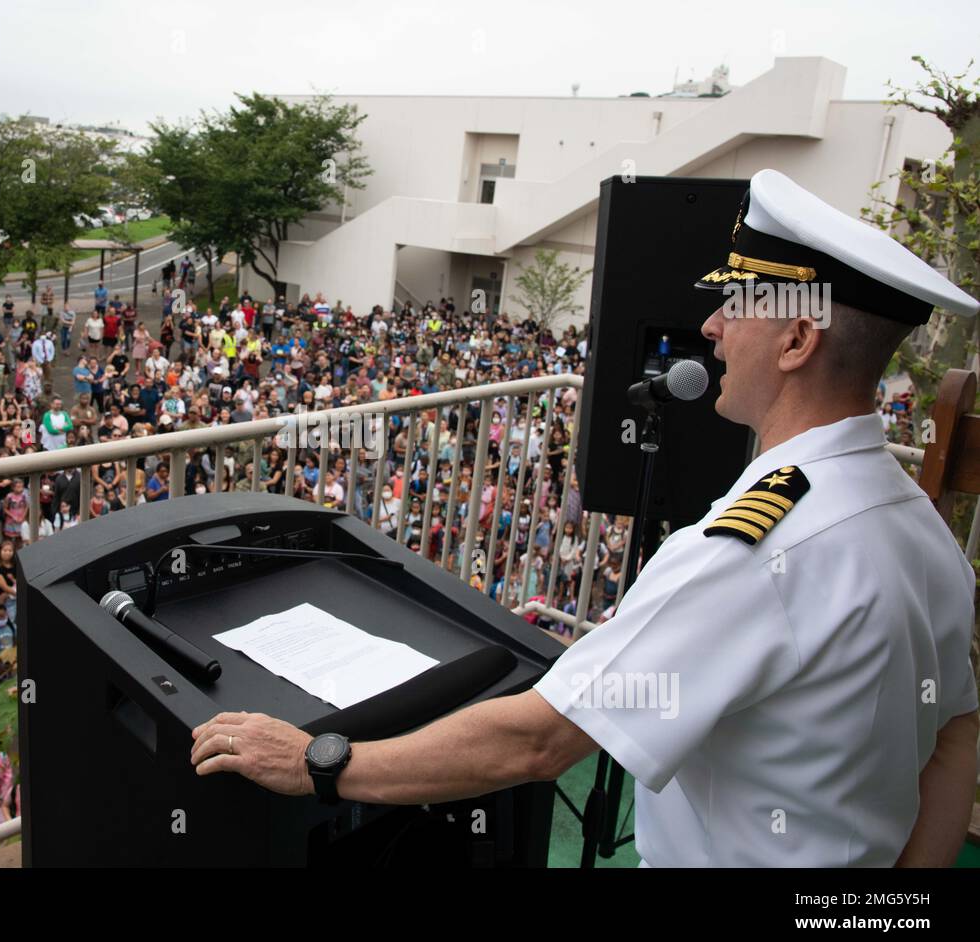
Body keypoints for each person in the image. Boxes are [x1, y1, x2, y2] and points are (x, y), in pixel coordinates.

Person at [187, 169, 980, 868]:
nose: (709, 328)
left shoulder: (752, 553)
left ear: (799, 337)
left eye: (736, 305)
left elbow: (540, 741)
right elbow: (956, 738)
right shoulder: (923, 529)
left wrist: (318, 761)